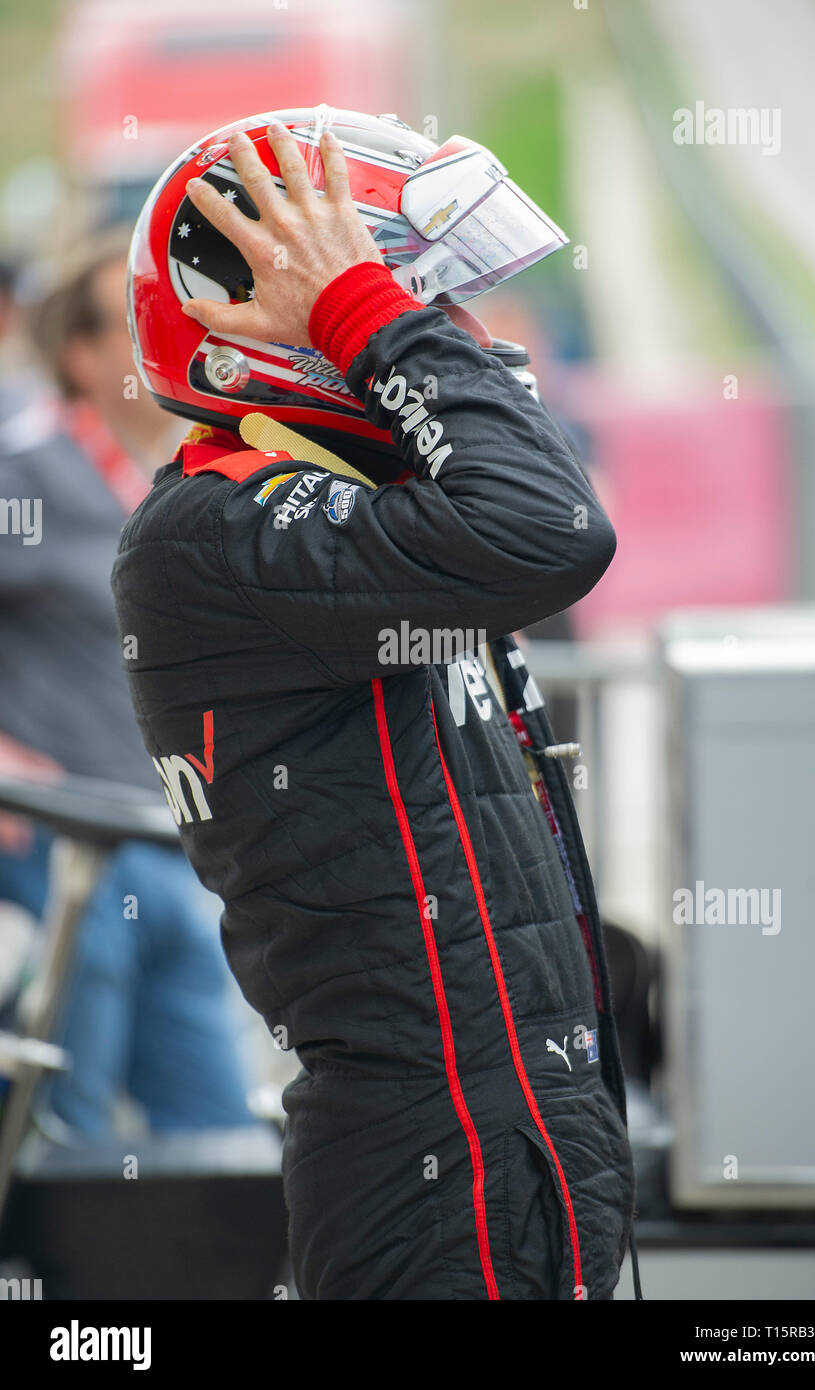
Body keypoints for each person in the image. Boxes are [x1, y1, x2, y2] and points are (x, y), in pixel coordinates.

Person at [112, 106, 636, 1298]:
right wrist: (362, 308)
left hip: (518, 1140)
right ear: (263, 321)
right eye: (410, 298)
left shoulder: (362, 522)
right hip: (434, 1164)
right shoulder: (210, 532)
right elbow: (550, 528)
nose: (452, 335)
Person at [0, 230, 255, 1136]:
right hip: (61, 853)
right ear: (80, 353)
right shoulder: (23, 473)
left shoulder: (175, 477)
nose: (177, 340)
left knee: (218, 1136)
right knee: (67, 1137)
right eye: (145, 321)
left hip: (168, 848)